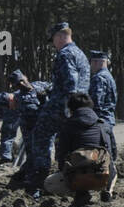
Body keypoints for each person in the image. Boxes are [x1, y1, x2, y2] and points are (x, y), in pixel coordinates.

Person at [22, 23, 90, 193]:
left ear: (60, 36)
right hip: (79, 107)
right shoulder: (80, 54)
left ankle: (39, 178)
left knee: (40, 136)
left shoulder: (65, 54)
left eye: (53, 40)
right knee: (65, 145)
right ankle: (65, 179)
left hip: (60, 108)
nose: (53, 44)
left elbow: (71, 83)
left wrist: (67, 109)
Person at [42, 92, 113, 207]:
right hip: (102, 176)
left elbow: (61, 155)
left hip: (78, 176)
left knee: (49, 183)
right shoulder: (103, 124)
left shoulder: (67, 126)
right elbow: (112, 153)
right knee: (111, 166)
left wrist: (64, 173)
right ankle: (108, 192)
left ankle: (81, 193)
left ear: (71, 109)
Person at [88, 50, 119, 201]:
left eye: (92, 62)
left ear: (97, 62)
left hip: (99, 121)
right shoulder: (109, 77)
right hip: (108, 120)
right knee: (108, 153)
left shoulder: (98, 79)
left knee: (100, 155)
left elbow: (96, 102)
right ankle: (109, 188)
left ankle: (104, 186)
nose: (91, 66)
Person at [7, 70, 46, 175]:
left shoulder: (40, 84)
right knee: (32, 153)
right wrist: (43, 101)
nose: (22, 84)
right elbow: (32, 112)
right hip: (30, 129)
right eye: (19, 84)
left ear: (25, 78)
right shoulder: (20, 97)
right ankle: (29, 174)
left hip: (45, 127)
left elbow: (54, 89)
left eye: (22, 80)